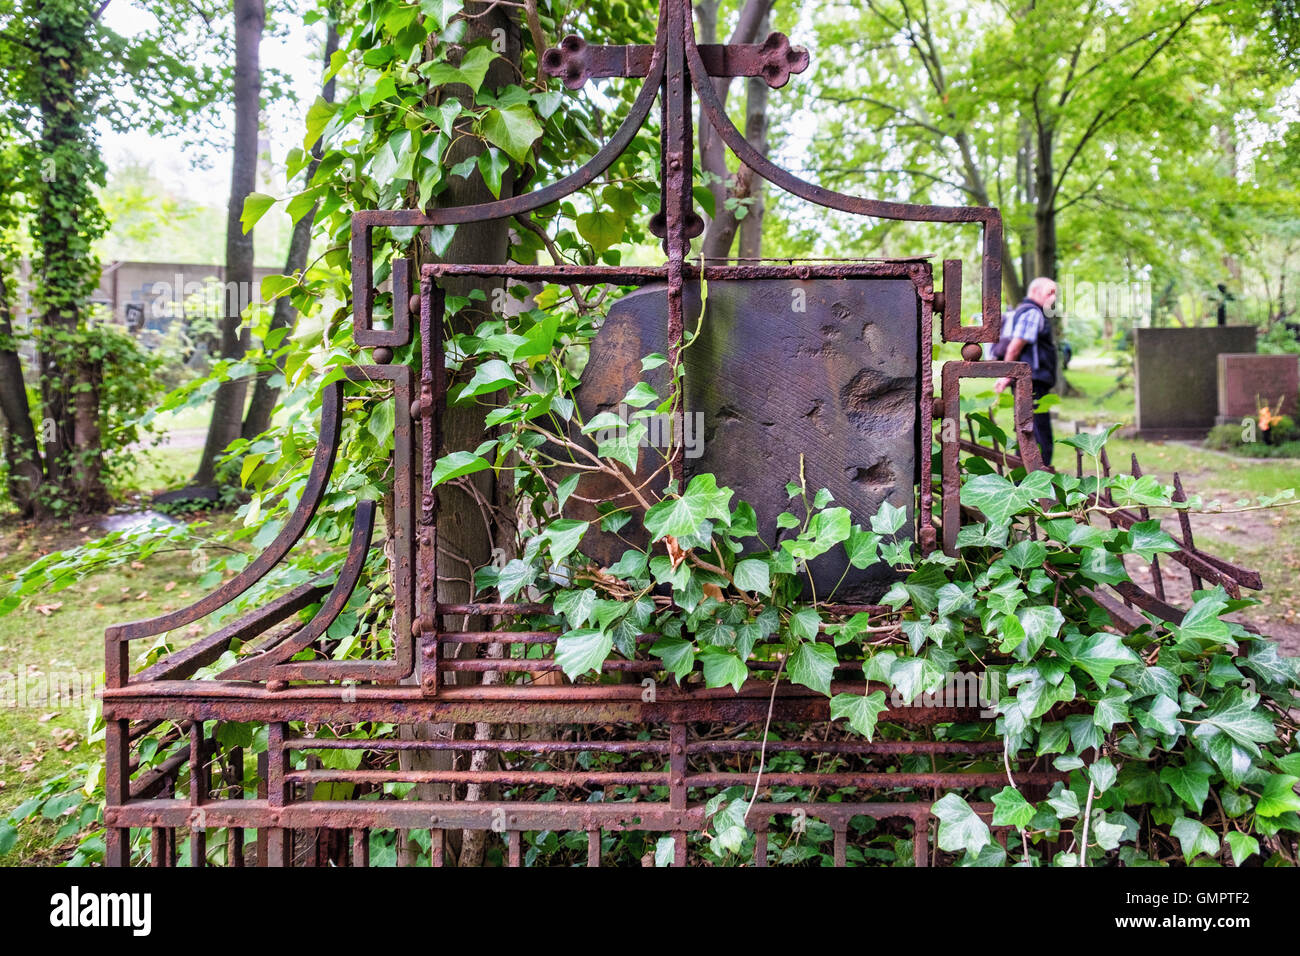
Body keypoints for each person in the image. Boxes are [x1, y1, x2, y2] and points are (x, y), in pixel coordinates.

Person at [993, 277, 1058, 467]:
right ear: (1036, 291)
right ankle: (1036, 484)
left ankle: (1024, 483)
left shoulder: (1023, 310)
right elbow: (1015, 347)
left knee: (1027, 432)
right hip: (1032, 382)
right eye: (1050, 292)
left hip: (1030, 381)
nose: (1053, 298)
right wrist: (1005, 375)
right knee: (1039, 437)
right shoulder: (1032, 313)